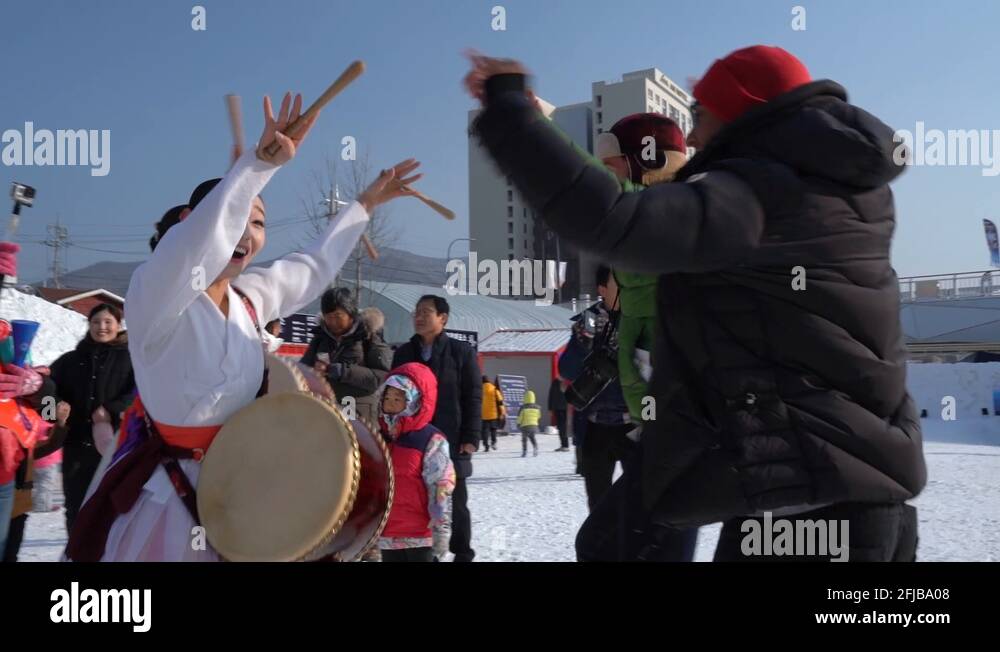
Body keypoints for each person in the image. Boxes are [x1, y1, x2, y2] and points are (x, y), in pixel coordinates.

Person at [465, 45, 926, 562]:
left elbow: (615, 218)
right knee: (609, 540)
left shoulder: (755, 195)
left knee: (613, 543)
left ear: (743, 112)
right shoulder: (839, 192)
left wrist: (510, 113)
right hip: (844, 491)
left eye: (701, 117)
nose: (697, 136)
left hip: (808, 499)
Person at [65, 90, 425, 561]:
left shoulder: (250, 299)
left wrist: (364, 205)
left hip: (249, 491)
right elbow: (195, 245)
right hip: (173, 497)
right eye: (239, 217)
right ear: (195, 223)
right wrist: (256, 166)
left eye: (259, 223)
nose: (250, 234)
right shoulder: (156, 296)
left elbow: (312, 266)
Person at [392, 295, 481, 562]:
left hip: (451, 437)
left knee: (456, 501)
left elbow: (473, 396)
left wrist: (471, 437)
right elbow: (393, 395)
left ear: (443, 318)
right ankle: (425, 551)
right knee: (418, 499)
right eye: (416, 312)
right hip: (414, 441)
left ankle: (462, 553)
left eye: (426, 312)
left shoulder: (461, 352)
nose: (419, 317)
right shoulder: (404, 353)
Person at [49, 303, 135, 531]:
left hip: (117, 446)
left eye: (108, 322)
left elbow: (140, 393)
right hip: (76, 446)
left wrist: (112, 409)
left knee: (113, 507)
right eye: (96, 322)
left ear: (119, 325)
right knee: (76, 507)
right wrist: (54, 410)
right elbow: (46, 391)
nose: (102, 327)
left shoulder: (132, 359)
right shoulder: (70, 360)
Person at [557, 267, 632, 511]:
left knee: (642, 497)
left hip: (635, 425)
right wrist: (582, 343)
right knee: (598, 504)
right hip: (595, 426)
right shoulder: (586, 322)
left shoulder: (640, 319)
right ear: (602, 290)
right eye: (618, 283)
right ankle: (604, 548)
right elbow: (566, 369)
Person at [377, 362, 455, 562]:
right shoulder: (379, 437)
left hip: (420, 535)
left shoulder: (430, 440)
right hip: (388, 533)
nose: (391, 403)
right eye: (387, 397)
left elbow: (441, 485)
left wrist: (441, 528)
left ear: (415, 401)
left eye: (398, 398)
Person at [300, 287, 392, 422]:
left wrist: (344, 371)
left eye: (338, 316)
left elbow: (382, 377)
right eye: (328, 317)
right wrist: (313, 371)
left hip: (359, 413)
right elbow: (302, 369)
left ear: (351, 314)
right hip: (326, 411)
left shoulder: (368, 336)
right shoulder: (320, 337)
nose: (333, 322)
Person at [480, 375, 505, 451]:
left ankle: (486, 445)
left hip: (483, 415)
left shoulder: (480, 390)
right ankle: (493, 442)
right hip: (493, 415)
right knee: (493, 429)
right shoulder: (494, 389)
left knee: (485, 431)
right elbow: (500, 402)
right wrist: (502, 412)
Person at [517, 389, 540, 457]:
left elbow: (520, 417)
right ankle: (535, 447)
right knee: (532, 437)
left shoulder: (523, 408)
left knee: (524, 439)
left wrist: (518, 424)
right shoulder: (537, 408)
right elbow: (538, 416)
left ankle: (525, 451)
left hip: (525, 426)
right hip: (534, 426)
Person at [547, 376, 568, 451]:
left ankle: (565, 445)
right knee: (560, 427)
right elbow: (551, 395)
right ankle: (564, 445)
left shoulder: (567, 381)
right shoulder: (555, 382)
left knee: (563, 427)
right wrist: (550, 408)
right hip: (557, 408)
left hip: (566, 408)